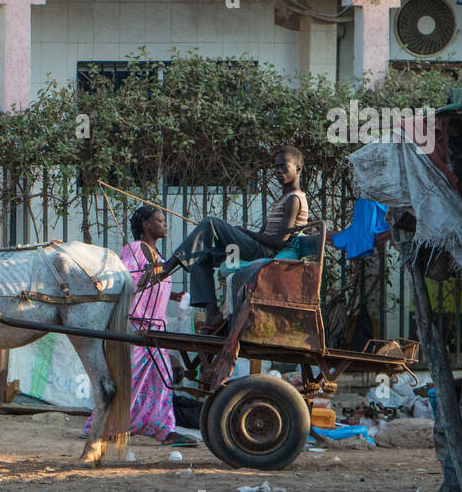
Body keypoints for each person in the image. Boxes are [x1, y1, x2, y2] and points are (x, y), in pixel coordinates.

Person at [146, 147, 309, 333]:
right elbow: (264, 234)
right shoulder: (282, 199)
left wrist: (244, 232)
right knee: (200, 256)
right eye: (276, 167)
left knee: (211, 222)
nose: (278, 171)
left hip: (268, 253)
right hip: (260, 248)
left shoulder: (294, 199)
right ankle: (211, 313)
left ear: (298, 169)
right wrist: (244, 234)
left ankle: (167, 267)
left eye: (284, 167)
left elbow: (279, 242)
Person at [83, 207, 195, 447]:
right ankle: (102, 425)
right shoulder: (134, 250)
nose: (165, 225)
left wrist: (175, 295)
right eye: (160, 220)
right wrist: (174, 262)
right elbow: (133, 282)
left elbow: (155, 284)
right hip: (137, 328)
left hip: (155, 329)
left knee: (160, 380)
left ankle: (164, 430)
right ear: (146, 225)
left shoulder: (155, 255)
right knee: (128, 380)